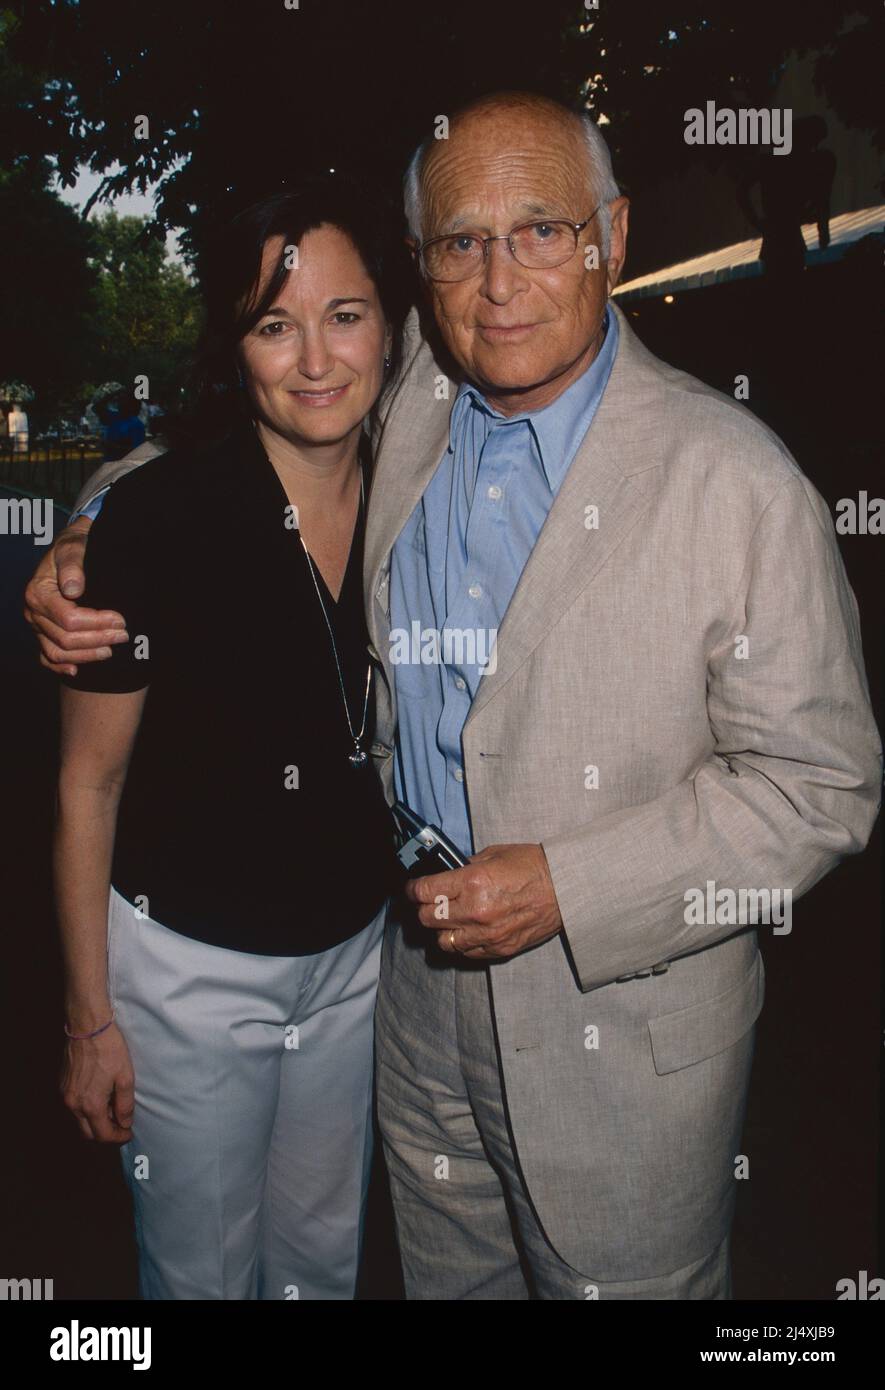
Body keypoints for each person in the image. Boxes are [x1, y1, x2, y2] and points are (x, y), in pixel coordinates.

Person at [26, 93, 882, 1301]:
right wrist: (93, 518)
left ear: (614, 239)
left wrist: (568, 887)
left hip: (621, 1048)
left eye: (541, 229)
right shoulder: (419, 398)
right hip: (414, 1011)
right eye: (460, 243)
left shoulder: (735, 481)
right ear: (424, 274)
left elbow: (822, 786)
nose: (500, 281)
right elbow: (246, 417)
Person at [44, 174, 406, 1299]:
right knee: (201, 1274)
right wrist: (89, 1019)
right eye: (273, 324)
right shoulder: (158, 518)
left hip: (354, 960)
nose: (315, 360)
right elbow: (84, 789)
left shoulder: (420, 487)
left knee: (319, 1261)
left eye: (344, 316)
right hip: (189, 974)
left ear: (390, 325)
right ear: (235, 346)